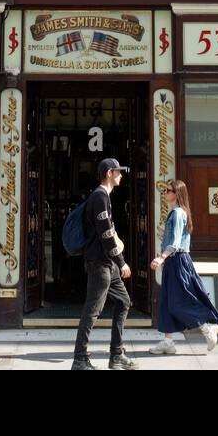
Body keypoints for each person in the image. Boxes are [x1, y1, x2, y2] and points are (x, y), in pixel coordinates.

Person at [72, 158, 137, 371]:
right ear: (109, 173)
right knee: (92, 310)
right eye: (118, 172)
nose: (121, 175)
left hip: (108, 264)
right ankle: (80, 359)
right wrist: (122, 262)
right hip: (101, 264)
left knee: (123, 302)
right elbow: (106, 235)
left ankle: (116, 354)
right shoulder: (99, 197)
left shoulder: (104, 197)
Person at [149, 180, 218, 355]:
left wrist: (161, 258)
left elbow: (174, 242)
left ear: (177, 193)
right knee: (167, 301)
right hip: (174, 261)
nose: (165, 193)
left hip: (177, 260)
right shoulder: (177, 212)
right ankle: (168, 341)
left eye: (168, 190)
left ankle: (206, 327)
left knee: (178, 301)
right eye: (165, 190)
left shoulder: (177, 213)